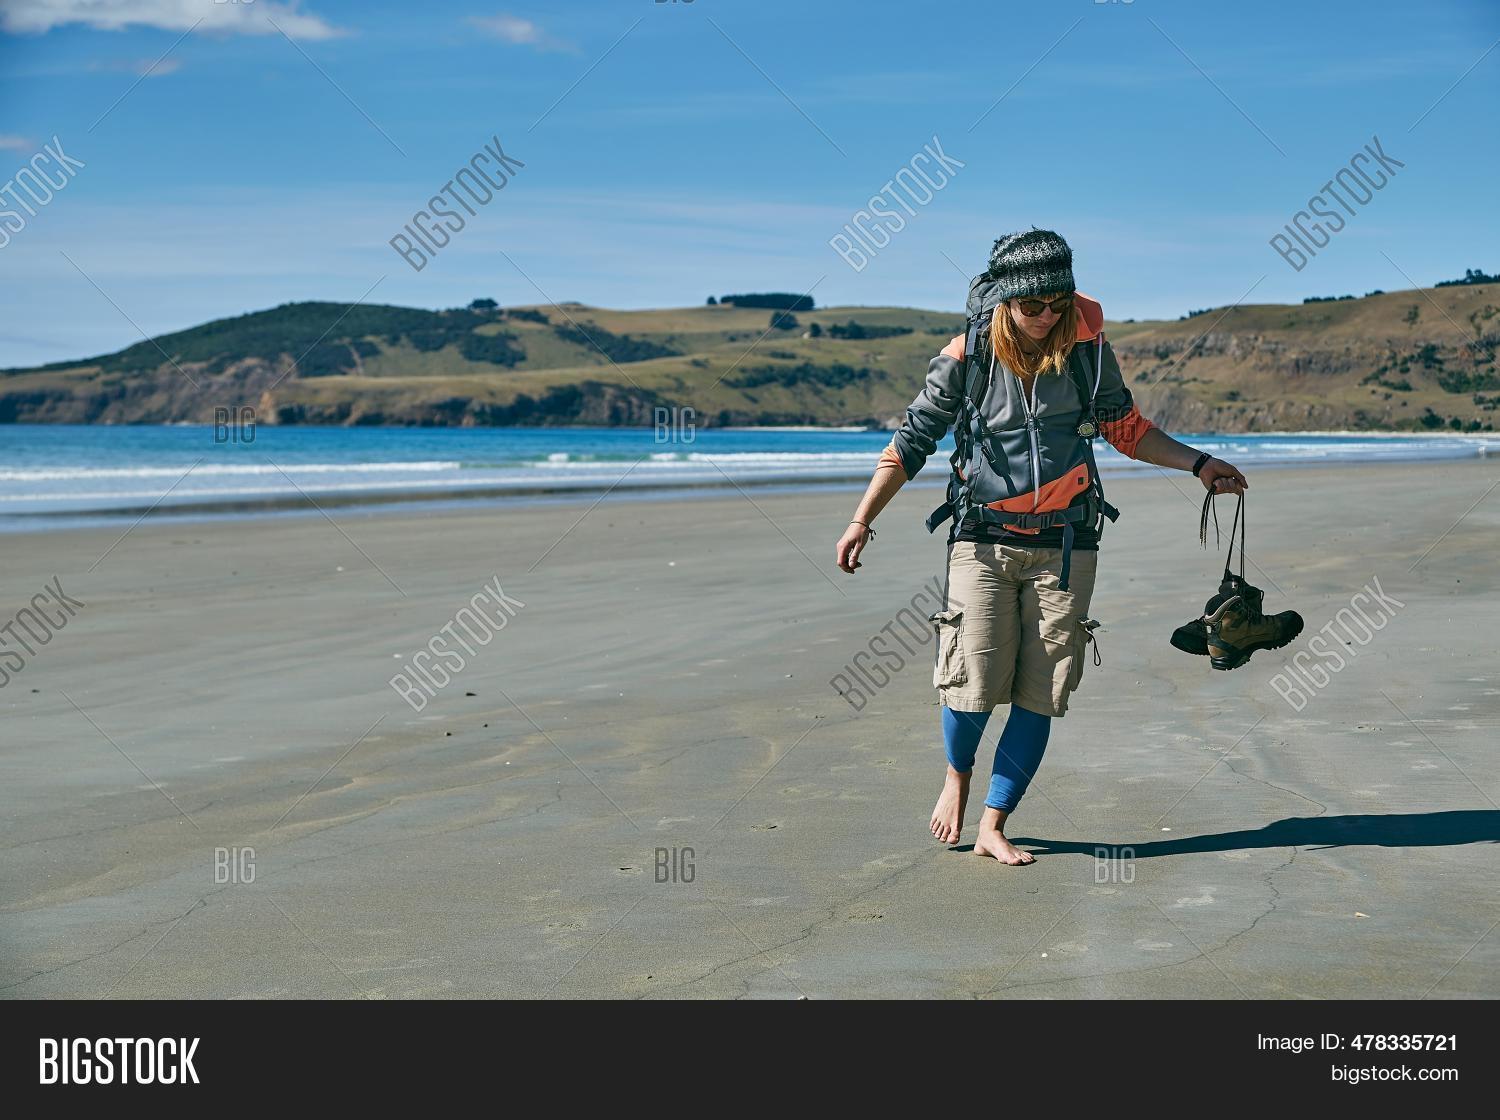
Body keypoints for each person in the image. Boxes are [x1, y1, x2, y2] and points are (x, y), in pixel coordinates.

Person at [833, 229, 1248, 865]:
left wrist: (1199, 464)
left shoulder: (1086, 349)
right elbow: (911, 440)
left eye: (1058, 302)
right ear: (1005, 301)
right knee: (972, 680)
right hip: (983, 540)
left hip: (1068, 542)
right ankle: (957, 778)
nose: (1048, 316)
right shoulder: (967, 354)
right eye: (1034, 306)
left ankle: (994, 823)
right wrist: (862, 520)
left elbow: (1126, 428)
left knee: (1042, 691)